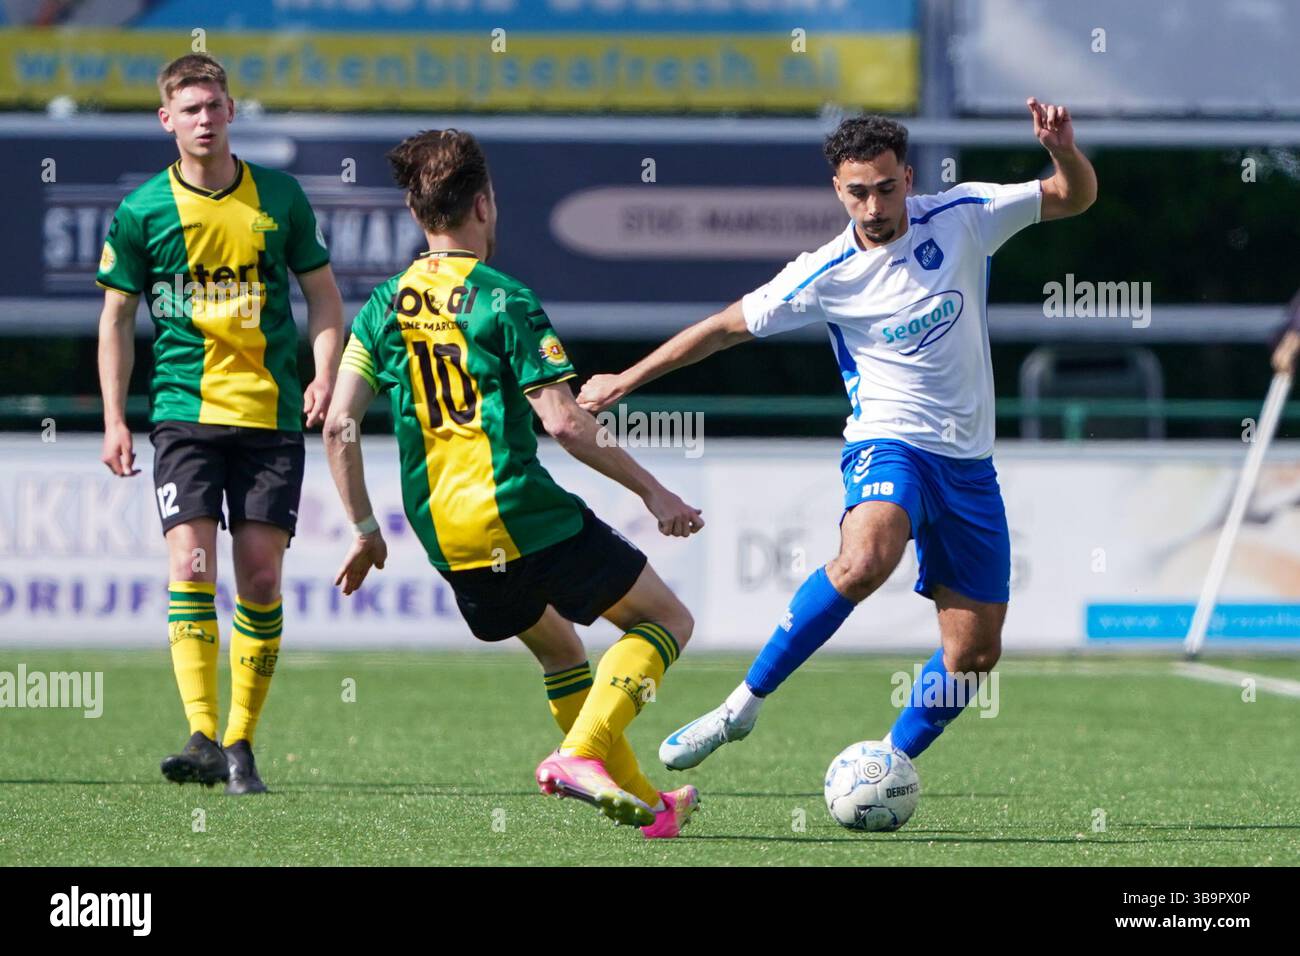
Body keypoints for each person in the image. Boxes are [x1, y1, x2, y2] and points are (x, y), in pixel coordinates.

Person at [578, 100, 1097, 769]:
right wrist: (627, 379)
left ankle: (888, 762)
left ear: (908, 179)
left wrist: (1063, 150)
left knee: (973, 653)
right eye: (858, 192)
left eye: (886, 188)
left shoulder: (965, 215)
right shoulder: (823, 273)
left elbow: (1072, 197)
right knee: (864, 559)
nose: (874, 206)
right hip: (889, 441)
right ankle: (741, 707)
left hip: (969, 464)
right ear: (838, 191)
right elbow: (724, 328)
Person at [322, 128, 703, 836]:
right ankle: (578, 754)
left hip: (442, 533)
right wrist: (656, 493)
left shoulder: (382, 306)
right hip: (518, 510)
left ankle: (654, 810)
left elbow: (338, 425)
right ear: (485, 205)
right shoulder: (504, 299)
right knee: (667, 621)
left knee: (563, 651)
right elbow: (562, 422)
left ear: (416, 214)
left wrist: (364, 529)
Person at [96, 53, 343, 794]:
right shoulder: (142, 211)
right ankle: (202, 733)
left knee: (261, 578)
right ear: (166, 120)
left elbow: (325, 299)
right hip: (182, 415)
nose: (205, 119)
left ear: (232, 111)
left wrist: (325, 373)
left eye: (215, 105)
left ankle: (240, 742)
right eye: (190, 109)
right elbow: (116, 317)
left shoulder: (280, 198)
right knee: (191, 567)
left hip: (268, 416)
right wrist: (114, 417)